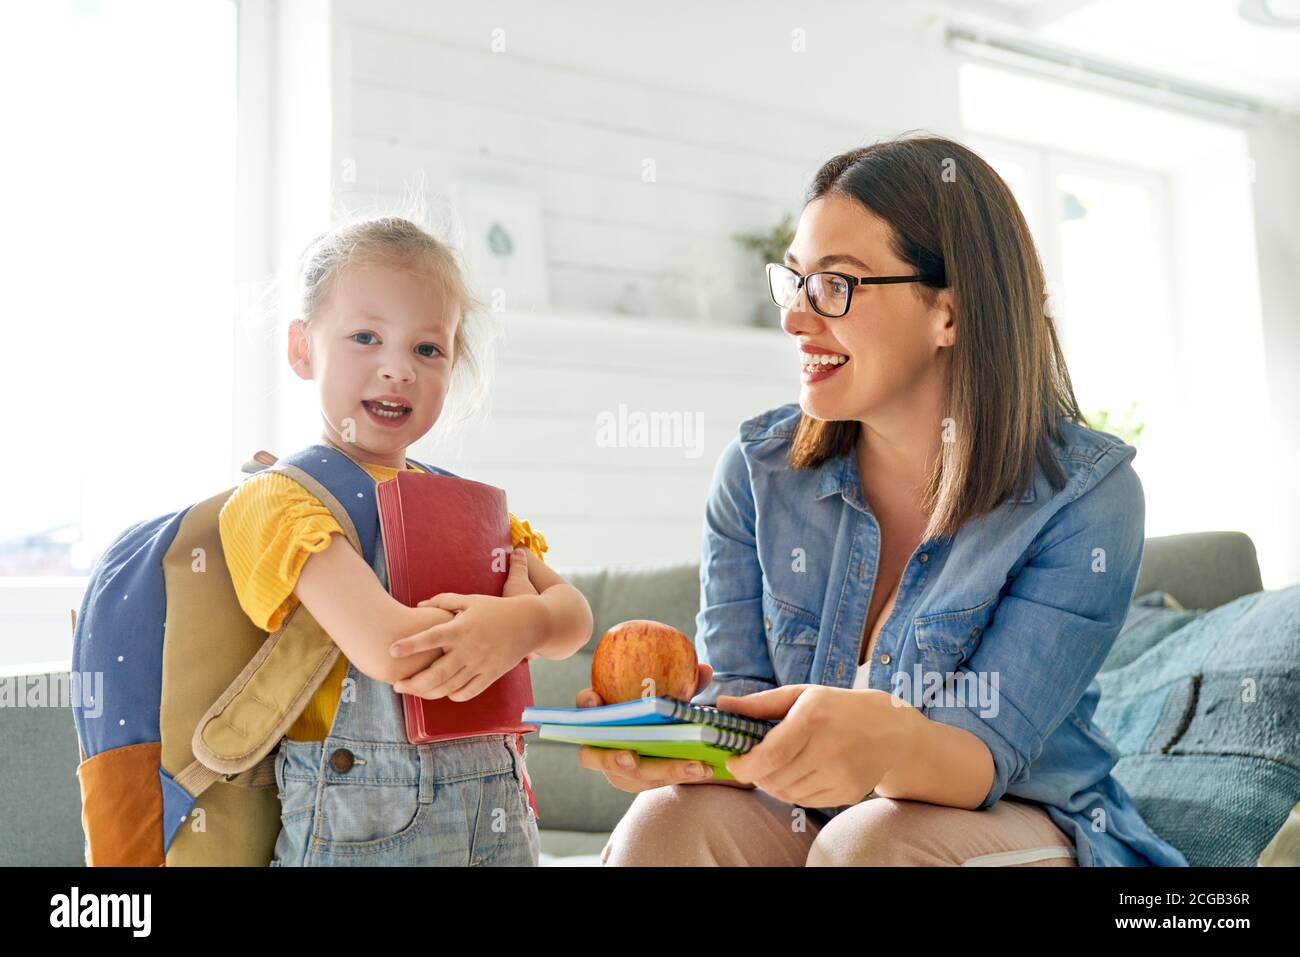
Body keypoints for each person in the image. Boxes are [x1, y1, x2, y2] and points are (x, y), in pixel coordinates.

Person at [581, 135, 1189, 867]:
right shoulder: (756, 471)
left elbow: (983, 757)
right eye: (794, 281)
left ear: (951, 314)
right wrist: (674, 745)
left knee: (869, 843)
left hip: (1017, 816)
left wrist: (888, 739)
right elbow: (742, 710)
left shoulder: (1084, 498)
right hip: (815, 820)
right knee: (666, 821)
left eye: (835, 285)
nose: (796, 318)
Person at [219, 215, 593, 866]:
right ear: (303, 347)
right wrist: (499, 627)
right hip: (364, 830)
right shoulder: (283, 499)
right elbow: (391, 648)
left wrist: (526, 620)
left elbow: (573, 619)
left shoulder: (468, 508)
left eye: (428, 349)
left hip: (500, 821)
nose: (398, 369)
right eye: (366, 337)